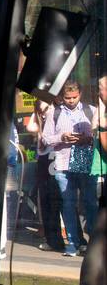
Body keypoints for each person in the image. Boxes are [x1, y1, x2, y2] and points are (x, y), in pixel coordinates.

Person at [41, 81, 98, 257]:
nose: (71, 101)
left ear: (80, 94)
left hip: (86, 163)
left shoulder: (91, 111)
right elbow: (45, 138)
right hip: (63, 163)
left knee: (90, 203)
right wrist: (62, 137)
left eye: (74, 97)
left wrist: (87, 139)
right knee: (68, 204)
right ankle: (73, 243)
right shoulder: (55, 113)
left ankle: (95, 242)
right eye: (67, 98)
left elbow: (99, 136)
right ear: (62, 97)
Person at [27, 100, 65, 252]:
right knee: (46, 200)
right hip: (44, 160)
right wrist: (38, 114)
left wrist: (50, 112)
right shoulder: (41, 121)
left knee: (57, 199)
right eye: (41, 111)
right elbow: (30, 126)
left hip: (55, 159)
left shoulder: (58, 117)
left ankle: (68, 236)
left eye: (47, 108)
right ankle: (53, 239)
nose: (45, 113)